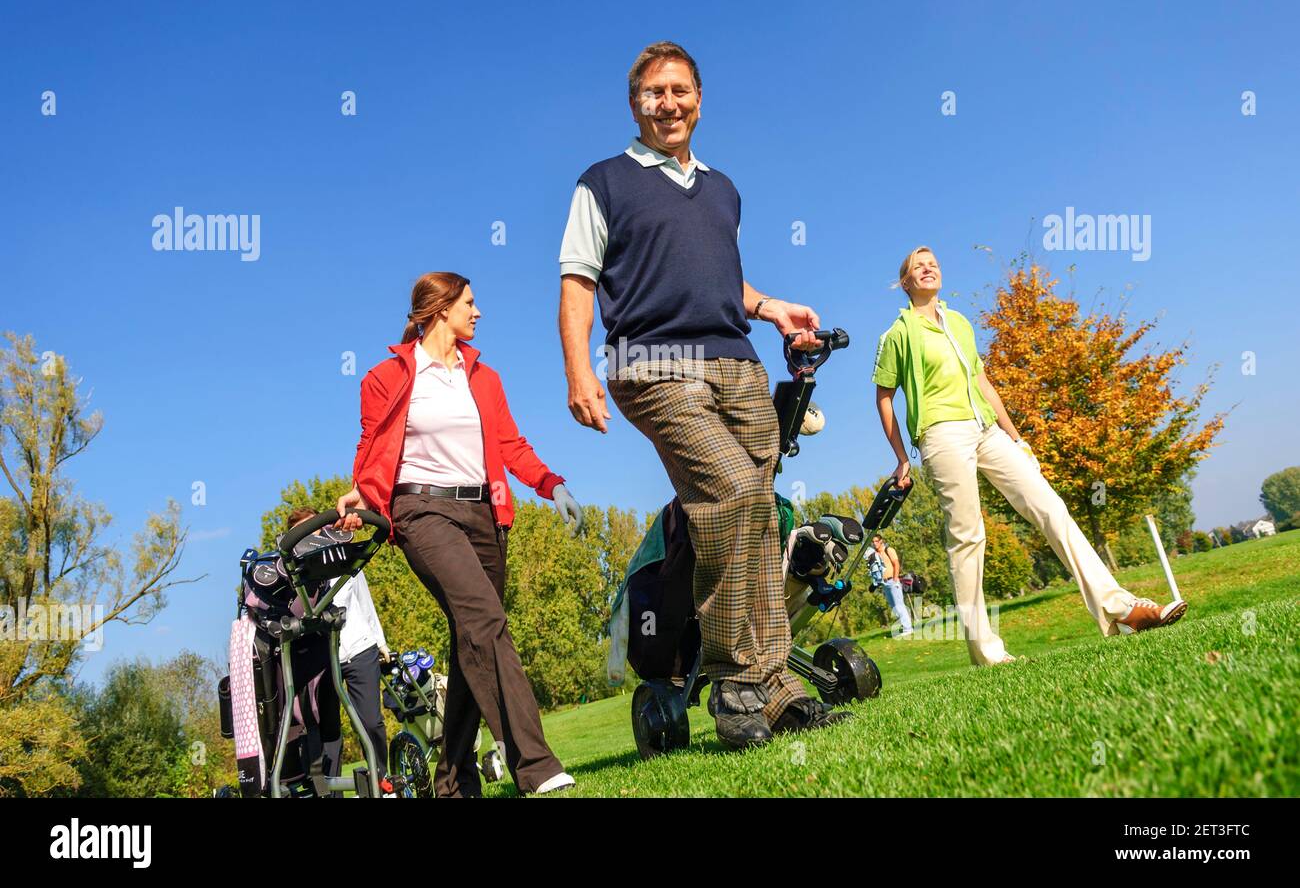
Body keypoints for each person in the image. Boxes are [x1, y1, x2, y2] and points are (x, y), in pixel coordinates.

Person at [558, 40, 845, 749]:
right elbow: (578, 281)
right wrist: (578, 371)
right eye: (654, 92)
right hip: (652, 363)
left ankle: (775, 686)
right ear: (635, 105)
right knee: (729, 490)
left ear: (699, 100)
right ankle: (733, 678)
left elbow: (720, 278)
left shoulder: (723, 190)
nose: (669, 103)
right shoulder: (603, 182)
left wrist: (770, 307)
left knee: (762, 514)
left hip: (737, 362)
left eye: (680, 90)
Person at [870, 246, 1188, 666]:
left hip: (986, 429)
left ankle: (1120, 610)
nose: (928, 269)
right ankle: (986, 653)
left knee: (1050, 507)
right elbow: (884, 396)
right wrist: (901, 457)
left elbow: (983, 384)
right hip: (942, 434)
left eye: (934, 264)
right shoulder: (898, 334)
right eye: (918, 266)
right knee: (968, 537)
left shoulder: (960, 323)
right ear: (906, 282)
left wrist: (1016, 437)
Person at [336, 271, 582, 796]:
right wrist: (362, 494)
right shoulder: (385, 377)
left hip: (484, 515)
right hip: (422, 511)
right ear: (440, 309)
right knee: (486, 622)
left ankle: (452, 780)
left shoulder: (484, 377)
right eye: (469, 303)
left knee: (473, 637)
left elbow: (511, 444)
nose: (478, 312)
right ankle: (535, 765)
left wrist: (551, 483)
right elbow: (371, 445)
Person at [284, 506, 392, 784]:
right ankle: (327, 789)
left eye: (316, 529)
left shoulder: (346, 559)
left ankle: (382, 780)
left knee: (370, 721)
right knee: (327, 733)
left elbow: (364, 602)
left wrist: (380, 641)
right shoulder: (294, 576)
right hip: (323, 659)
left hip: (358, 648)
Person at [868, 534, 913, 636]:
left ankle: (908, 629)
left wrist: (895, 579)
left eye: (876, 541)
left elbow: (896, 563)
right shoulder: (875, 554)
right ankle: (904, 626)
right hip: (884, 583)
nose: (874, 543)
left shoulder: (889, 550)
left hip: (893, 581)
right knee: (894, 608)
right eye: (873, 542)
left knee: (899, 605)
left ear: (881, 541)